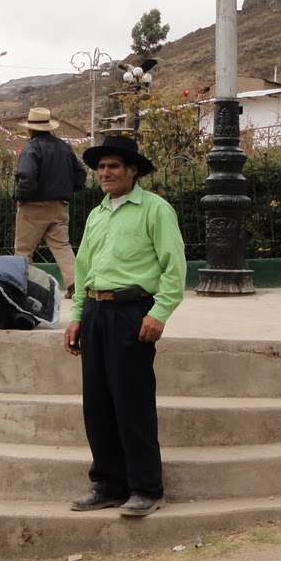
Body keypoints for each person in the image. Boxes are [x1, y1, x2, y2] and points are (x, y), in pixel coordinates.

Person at [62, 134, 186, 519]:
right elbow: (84, 270)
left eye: (113, 166)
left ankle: (146, 487)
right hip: (97, 313)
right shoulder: (96, 215)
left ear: (133, 170)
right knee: (97, 403)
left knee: (132, 403)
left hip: (133, 313)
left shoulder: (155, 209)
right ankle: (108, 483)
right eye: (100, 167)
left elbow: (174, 266)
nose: (105, 173)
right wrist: (78, 315)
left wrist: (159, 313)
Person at [13, 107, 87, 299]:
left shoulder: (31, 148)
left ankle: (23, 288)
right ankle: (75, 284)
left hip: (33, 206)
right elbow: (80, 174)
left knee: (23, 251)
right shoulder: (64, 146)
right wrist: (69, 189)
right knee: (62, 246)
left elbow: (27, 177)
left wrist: (21, 197)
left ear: (30, 128)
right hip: (60, 205)